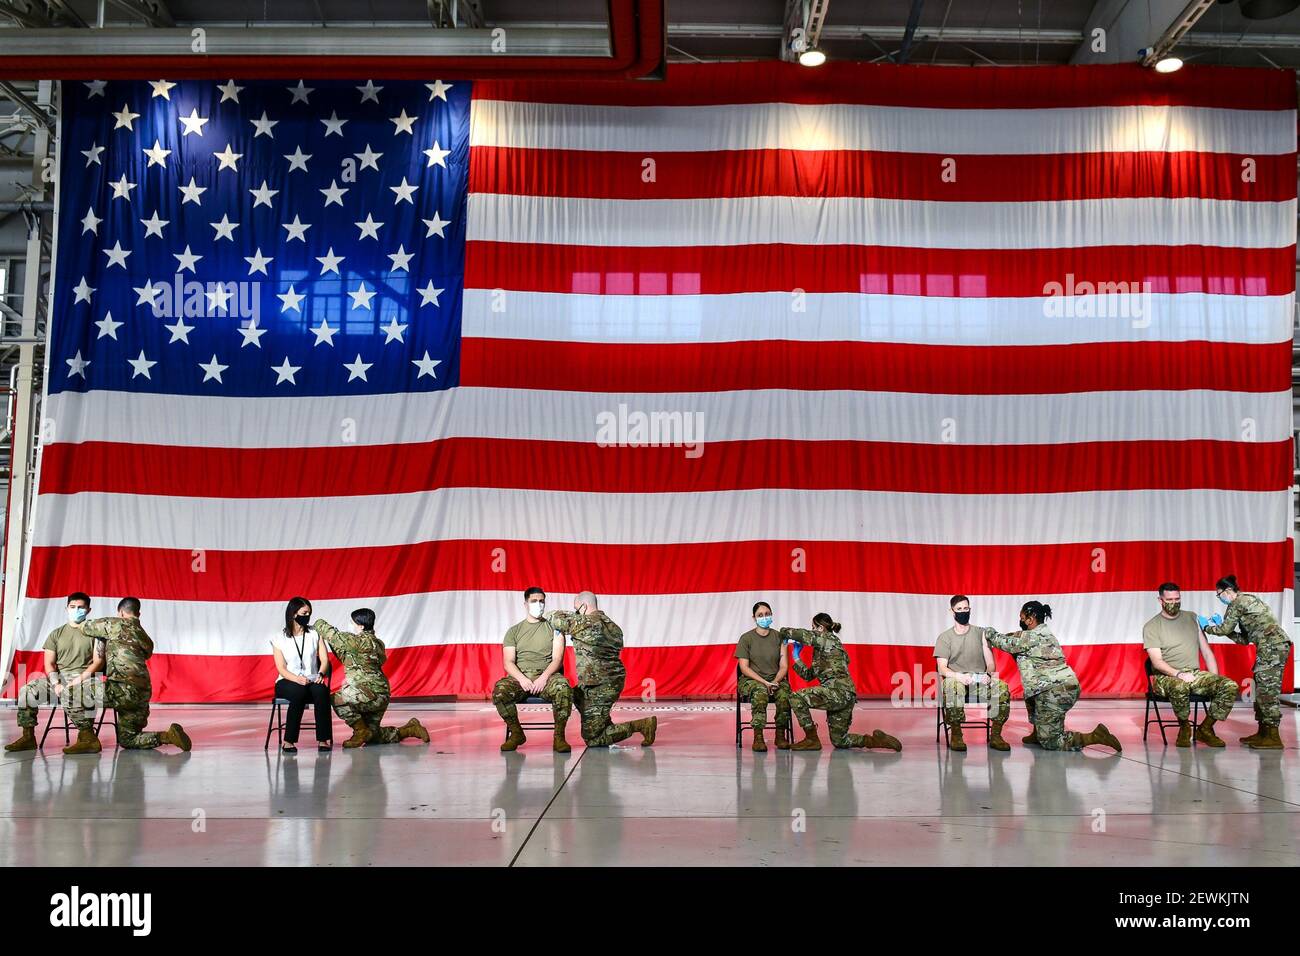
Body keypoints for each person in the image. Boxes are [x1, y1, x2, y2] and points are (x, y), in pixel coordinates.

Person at [985, 601, 1120, 754]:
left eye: (1022, 617)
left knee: (1051, 742)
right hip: (1058, 687)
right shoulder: (1042, 633)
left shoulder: (1032, 637)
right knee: (1032, 692)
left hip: (1054, 691)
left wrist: (988, 632)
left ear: (1031, 618)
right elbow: (1016, 639)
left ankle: (1095, 736)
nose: (1021, 621)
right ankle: (1038, 733)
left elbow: (1005, 643)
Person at [73, 597, 191, 753]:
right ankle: (167, 736)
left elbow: (85, 627)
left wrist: (79, 615)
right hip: (142, 694)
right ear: (139, 613)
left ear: (121, 612)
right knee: (128, 739)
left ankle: (88, 738)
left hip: (120, 691)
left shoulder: (114, 624)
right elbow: (146, 654)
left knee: (73, 692)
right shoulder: (145, 638)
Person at [545, 592, 656, 747]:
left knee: (593, 739)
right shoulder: (613, 626)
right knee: (574, 694)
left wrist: (570, 615)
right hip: (610, 681)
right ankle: (600, 721)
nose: (576, 613)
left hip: (600, 686)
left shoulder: (585, 623)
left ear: (583, 607)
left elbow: (552, 617)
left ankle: (641, 725)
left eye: (576, 609)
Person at [779, 613, 901, 752]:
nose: (811, 630)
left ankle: (811, 739)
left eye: (813, 627)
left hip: (837, 692)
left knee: (795, 697)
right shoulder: (827, 649)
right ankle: (874, 741)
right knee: (839, 740)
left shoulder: (828, 639)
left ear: (820, 628)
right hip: (845, 695)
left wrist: (782, 632)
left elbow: (802, 635)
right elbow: (808, 675)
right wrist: (796, 657)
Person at [1202, 574, 1293, 750]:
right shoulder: (1248, 601)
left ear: (1228, 591)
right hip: (1271, 647)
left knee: (1266, 691)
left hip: (1271, 647)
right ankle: (1263, 733)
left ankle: (1273, 737)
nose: (1220, 597)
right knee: (1260, 689)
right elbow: (1244, 640)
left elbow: (1225, 628)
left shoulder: (1237, 603)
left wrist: (1207, 627)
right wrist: (1225, 630)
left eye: (1219, 594)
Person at [313, 609, 428, 748]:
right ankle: (410, 729)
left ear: (361, 626)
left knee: (337, 699)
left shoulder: (359, 641)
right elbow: (347, 655)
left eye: (352, 622)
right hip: (381, 694)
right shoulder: (378, 643)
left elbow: (334, 636)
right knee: (373, 735)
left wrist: (318, 623)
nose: (350, 625)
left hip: (369, 694)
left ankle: (360, 731)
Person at [1142, 582, 1238, 748]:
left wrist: (1215, 678)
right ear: (1160, 600)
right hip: (1165, 677)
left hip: (1193, 673)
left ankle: (1205, 729)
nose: (1174, 603)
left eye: (1177, 599)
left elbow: (1207, 653)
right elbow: (1157, 662)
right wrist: (1179, 674)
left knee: (1228, 685)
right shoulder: (1152, 626)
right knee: (1180, 686)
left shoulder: (1191, 618)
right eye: (1169, 599)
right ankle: (1184, 727)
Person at [5, 592, 101, 752]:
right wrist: (56, 683)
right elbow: (49, 663)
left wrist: (77, 680)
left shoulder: (96, 634)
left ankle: (88, 738)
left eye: (81, 607)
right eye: (72, 607)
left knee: (69, 691)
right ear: (66, 608)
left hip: (87, 679)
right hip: (60, 679)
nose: (76, 610)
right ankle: (28, 737)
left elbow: (98, 662)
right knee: (27, 690)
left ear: (88, 610)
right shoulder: (56, 634)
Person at [493, 587, 573, 752]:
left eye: (541, 601)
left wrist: (543, 677)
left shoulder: (555, 628)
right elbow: (508, 662)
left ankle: (559, 737)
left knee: (563, 688)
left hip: (547, 676)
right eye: (534, 601)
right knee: (500, 691)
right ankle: (516, 733)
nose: (539, 604)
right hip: (520, 678)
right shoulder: (514, 631)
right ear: (526, 604)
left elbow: (557, 659)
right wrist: (522, 679)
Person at [935, 595, 1011, 752]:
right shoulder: (945, 637)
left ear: (970, 609)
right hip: (957, 679)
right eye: (959, 609)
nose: (963, 612)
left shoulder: (980, 633)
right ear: (952, 611)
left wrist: (988, 675)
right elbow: (942, 668)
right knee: (952, 687)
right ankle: (956, 734)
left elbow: (990, 663)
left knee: (1001, 687)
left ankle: (996, 735)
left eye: (966, 608)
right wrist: (959, 676)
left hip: (979, 682)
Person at [271, 596, 331, 753]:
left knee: (322, 691)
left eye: (309, 613)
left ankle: (323, 739)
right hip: (287, 680)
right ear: (293, 614)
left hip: (311, 678)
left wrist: (320, 673)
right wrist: (296, 679)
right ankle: (288, 740)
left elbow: (324, 660)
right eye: (304, 613)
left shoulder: (314, 634)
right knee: (298, 692)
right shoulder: (279, 638)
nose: (307, 617)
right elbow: (281, 668)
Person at [736, 601, 791, 751]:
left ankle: (780, 735)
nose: (764, 617)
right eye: (760, 615)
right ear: (754, 618)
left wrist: (774, 682)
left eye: (767, 614)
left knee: (784, 695)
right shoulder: (746, 639)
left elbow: (784, 666)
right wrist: (765, 683)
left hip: (776, 679)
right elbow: (744, 668)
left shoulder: (779, 637)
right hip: (751, 680)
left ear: (771, 614)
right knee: (760, 693)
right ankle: (758, 737)